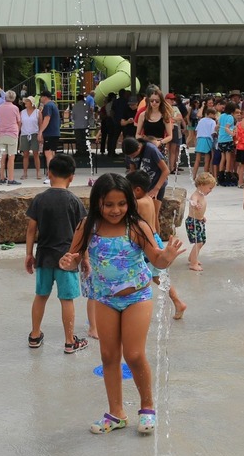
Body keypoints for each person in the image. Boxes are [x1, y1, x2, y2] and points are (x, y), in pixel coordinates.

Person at [60, 173, 184, 434]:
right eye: (108, 204)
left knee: (134, 355)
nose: (115, 210)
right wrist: (69, 262)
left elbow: (157, 260)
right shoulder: (88, 226)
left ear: (129, 202)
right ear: (98, 203)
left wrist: (168, 256)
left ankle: (147, 407)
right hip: (105, 298)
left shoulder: (136, 227)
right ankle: (116, 413)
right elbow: (75, 257)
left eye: (121, 204)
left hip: (136, 297)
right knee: (108, 356)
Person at [25, 154, 88, 351]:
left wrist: (29, 254)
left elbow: (31, 229)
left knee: (41, 295)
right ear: (71, 177)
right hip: (67, 259)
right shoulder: (74, 201)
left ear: (49, 174)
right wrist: (85, 259)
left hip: (44, 257)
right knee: (66, 299)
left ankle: (35, 335)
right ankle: (69, 341)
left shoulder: (39, 199)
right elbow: (82, 233)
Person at [127, 171, 189, 320]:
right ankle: (178, 303)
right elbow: (154, 222)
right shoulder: (149, 199)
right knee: (158, 276)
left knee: (147, 276)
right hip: (154, 238)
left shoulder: (138, 203)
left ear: (137, 190)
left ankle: (139, 308)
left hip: (147, 242)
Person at [185, 171, 216, 273]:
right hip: (192, 222)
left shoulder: (202, 195)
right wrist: (195, 204)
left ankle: (192, 258)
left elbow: (200, 210)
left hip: (199, 221)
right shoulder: (196, 195)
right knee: (198, 242)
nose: (210, 190)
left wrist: (202, 216)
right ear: (202, 185)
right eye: (209, 188)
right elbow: (192, 201)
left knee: (202, 241)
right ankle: (193, 264)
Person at [0, 90, 22, 184]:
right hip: (12, 134)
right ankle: (11, 178)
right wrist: (18, 131)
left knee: (2, 156)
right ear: (14, 98)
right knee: (11, 157)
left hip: (1, 134)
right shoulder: (15, 108)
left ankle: (1, 177)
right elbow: (19, 121)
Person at [19, 95, 41, 180]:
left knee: (36, 154)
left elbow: (40, 124)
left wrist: (40, 134)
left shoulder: (37, 112)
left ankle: (38, 172)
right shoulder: (22, 112)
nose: (25, 103)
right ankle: (25, 173)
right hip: (24, 134)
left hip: (34, 133)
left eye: (27, 101)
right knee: (25, 154)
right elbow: (20, 124)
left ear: (32, 103)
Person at [193, 101, 216, 179]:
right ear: (210, 114)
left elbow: (196, 130)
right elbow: (213, 132)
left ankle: (194, 175)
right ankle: (205, 176)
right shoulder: (213, 122)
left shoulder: (201, 120)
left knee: (197, 159)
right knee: (207, 160)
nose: (214, 116)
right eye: (214, 114)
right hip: (207, 140)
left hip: (200, 139)